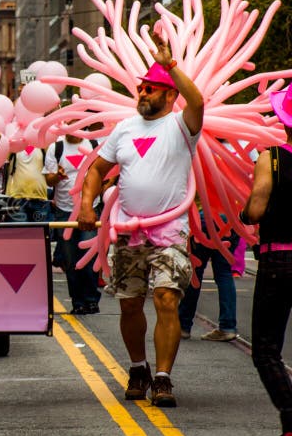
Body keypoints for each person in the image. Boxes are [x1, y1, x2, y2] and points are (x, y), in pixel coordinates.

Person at [78, 32, 204, 408]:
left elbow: (197, 100)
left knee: (166, 298)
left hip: (169, 232)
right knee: (130, 304)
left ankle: (163, 378)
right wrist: (87, 204)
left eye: (152, 88)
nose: (143, 94)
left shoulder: (183, 126)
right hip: (128, 233)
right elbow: (96, 170)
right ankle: (138, 368)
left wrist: (170, 66)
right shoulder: (125, 129)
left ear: (169, 95)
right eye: (141, 88)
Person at [241, 89, 292, 436]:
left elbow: (255, 209)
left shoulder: (271, 158)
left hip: (279, 261)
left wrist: (244, 214)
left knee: (266, 349)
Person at [44, 125, 101, 315]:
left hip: (90, 209)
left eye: (74, 122)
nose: (70, 127)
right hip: (64, 210)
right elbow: (48, 181)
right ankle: (77, 302)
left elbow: (104, 174)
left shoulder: (93, 144)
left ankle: (92, 300)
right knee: (70, 259)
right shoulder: (56, 148)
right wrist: (57, 176)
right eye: (66, 123)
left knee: (89, 255)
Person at [178, 210, 239, 341]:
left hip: (205, 218)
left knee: (195, 273)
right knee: (224, 274)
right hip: (230, 220)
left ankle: (183, 325)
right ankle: (227, 327)